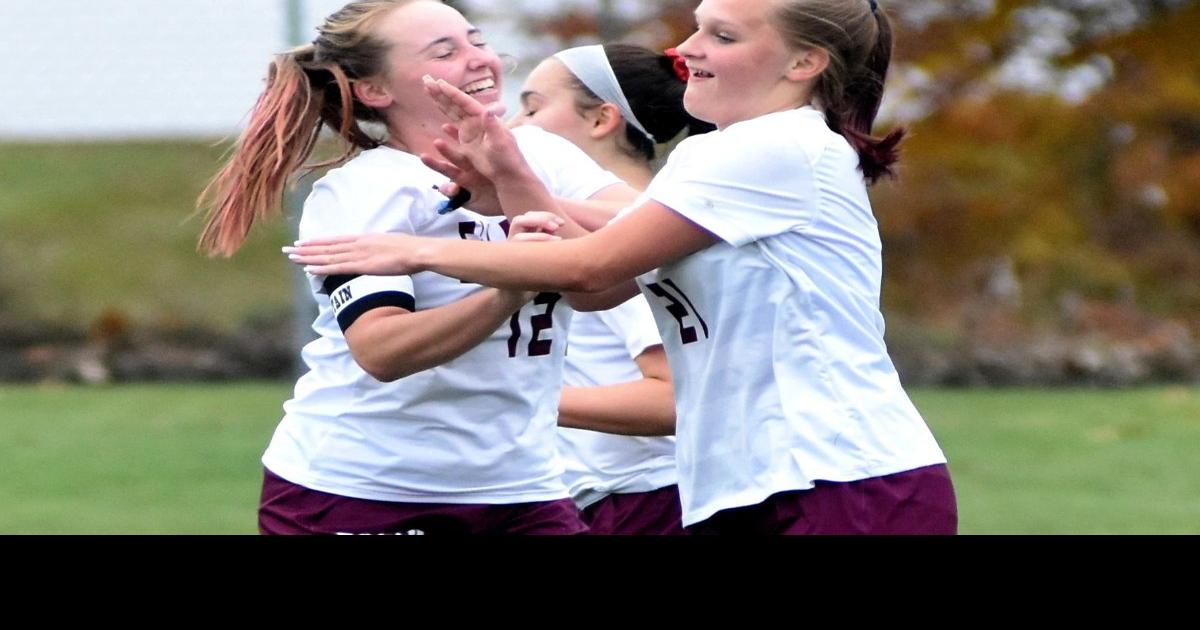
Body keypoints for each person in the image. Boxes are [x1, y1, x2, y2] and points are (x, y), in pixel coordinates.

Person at [287, 0, 958, 535]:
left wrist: (415, 249)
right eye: (696, 29)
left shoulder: (770, 148)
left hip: (836, 476)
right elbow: (603, 290)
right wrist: (515, 186)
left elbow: (586, 267)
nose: (687, 50)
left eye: (720, 37)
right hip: (755, 481)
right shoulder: (724, 154)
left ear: (804, 61)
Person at [197, 0, 635, 535]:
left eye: (476, 41)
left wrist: (515, 182)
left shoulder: (540, 154)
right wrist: (510, 287)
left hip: (524, 487)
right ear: (376, 91)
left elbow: (621, 259)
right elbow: (383, 350)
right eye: (445, 51)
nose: (478, 59)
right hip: (363, 488)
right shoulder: (363, 191)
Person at [511, 44, 713, 534]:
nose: (514, 124)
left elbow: (674, 398)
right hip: (613, 495)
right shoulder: (641, 220)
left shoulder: (634, 239)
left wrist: (516, 400)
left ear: (603, 119)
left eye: (533, 107)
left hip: (644, 501)